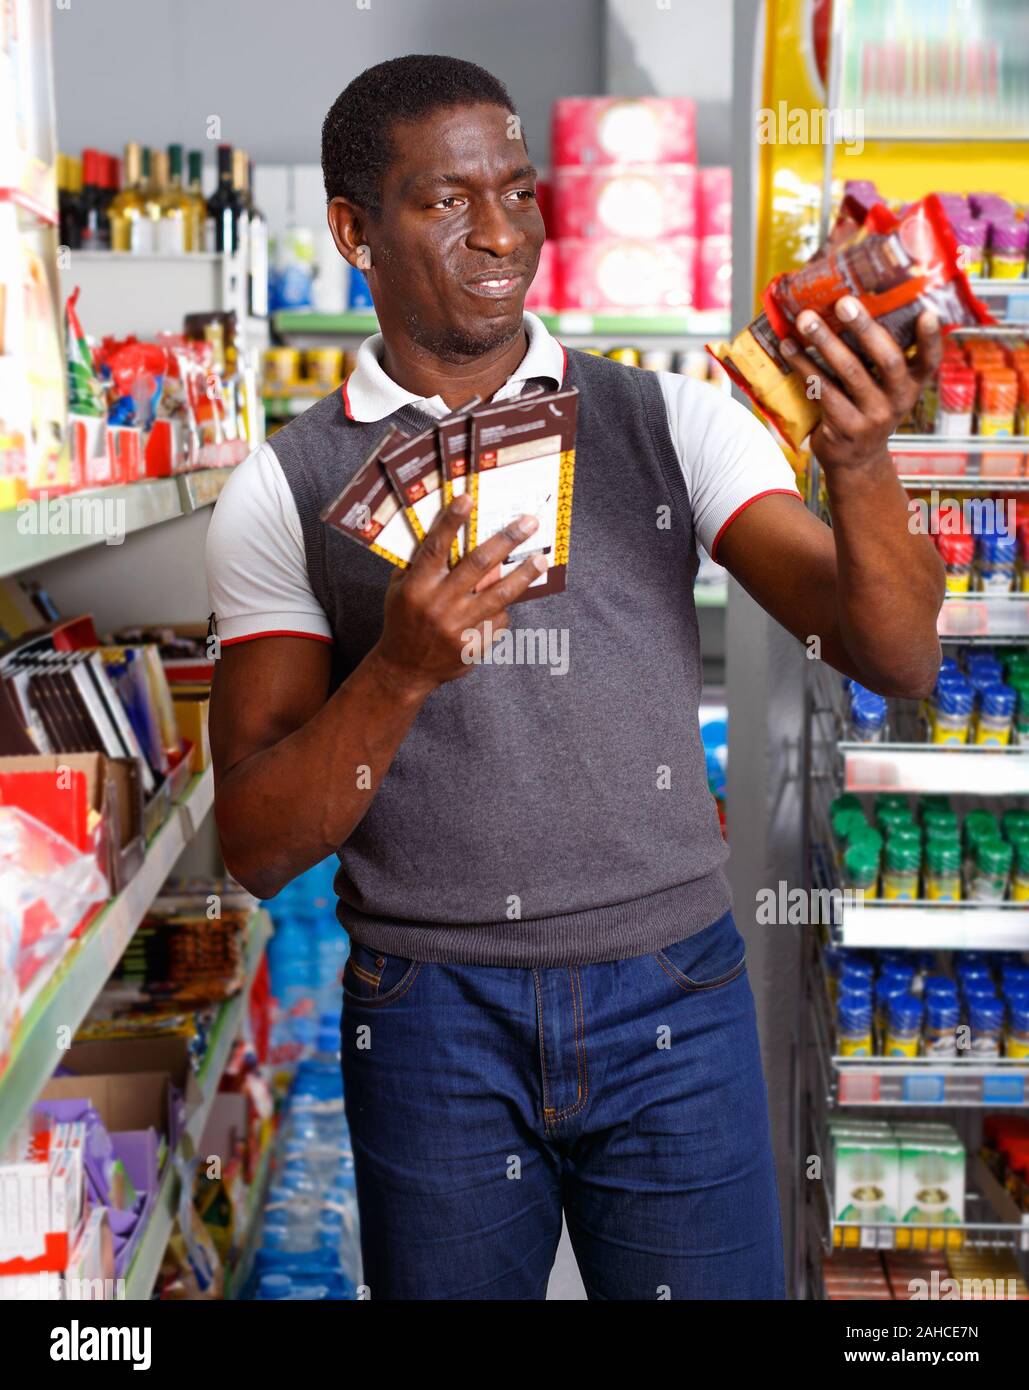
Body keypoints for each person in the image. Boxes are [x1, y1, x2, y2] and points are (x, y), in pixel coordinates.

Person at [205, 55, 944, 1300]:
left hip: (676, 988)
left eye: (517, 190)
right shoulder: (280, 489)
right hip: (430, 1015)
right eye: (445, 201)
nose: (501, 233)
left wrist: (861, 460)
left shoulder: (670, 421)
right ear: (351, 231)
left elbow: (897, 655)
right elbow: (259, 842)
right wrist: (398, 670)